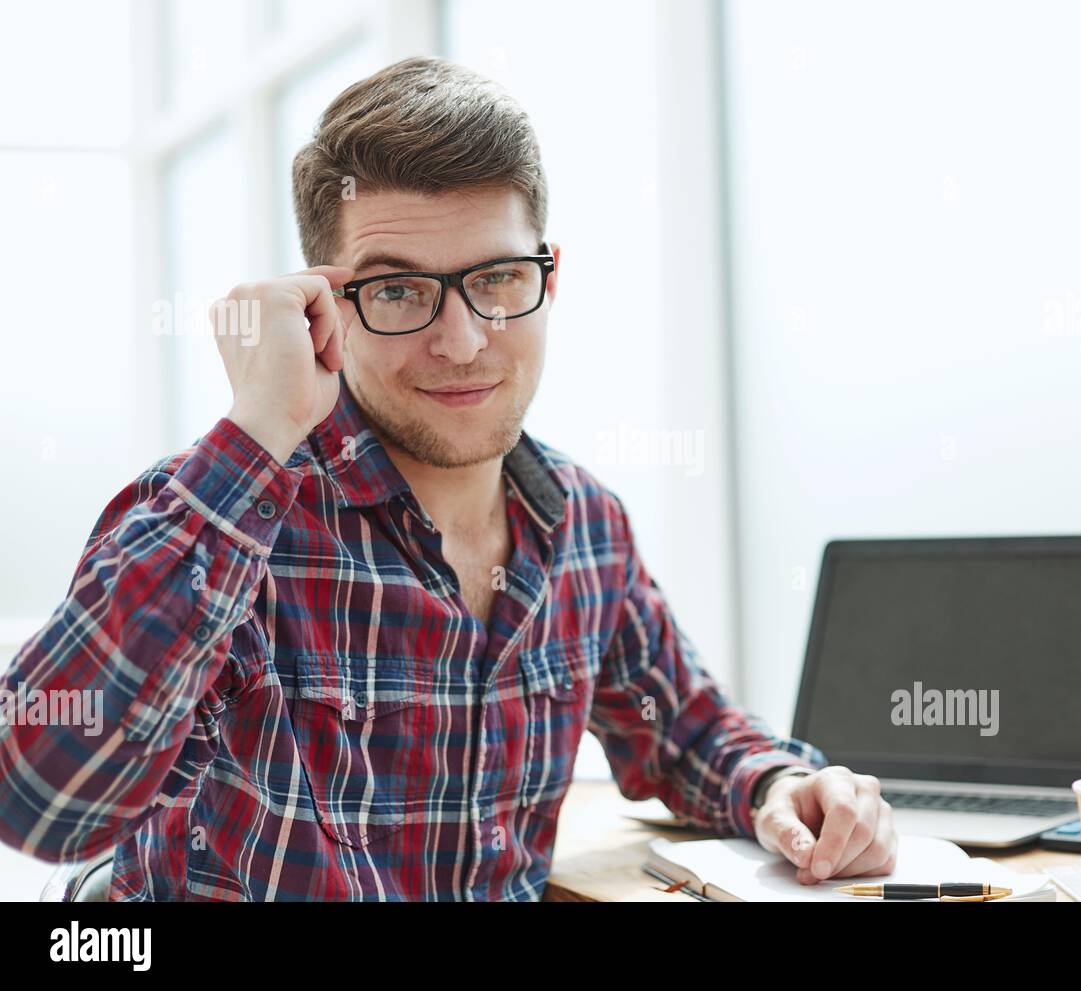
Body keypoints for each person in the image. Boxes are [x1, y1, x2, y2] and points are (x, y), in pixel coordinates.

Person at [0, 56, 896, 900]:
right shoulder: (220, 511)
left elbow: (685, 727)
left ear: (550, 276)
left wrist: (783, 783)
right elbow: (38, 799)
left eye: (499, 278)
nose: (463, 341)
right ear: (323, 304)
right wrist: (258, 431)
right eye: (396, 292)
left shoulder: (583, 523)